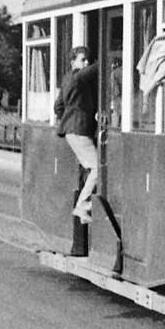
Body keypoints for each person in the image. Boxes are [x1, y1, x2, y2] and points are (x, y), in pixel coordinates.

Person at [54, 46, 100, 223]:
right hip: (79, 130)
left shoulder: (67, 79)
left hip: (72, 130)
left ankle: (84, 210)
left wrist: (66, 117)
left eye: (88, 59)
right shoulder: (77, 77)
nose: (86, 63)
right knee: (97, 168)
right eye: (83, 60)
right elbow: (97, 67)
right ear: (73, 62)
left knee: (89, 169)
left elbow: (58, 106)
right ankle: (82, 205)